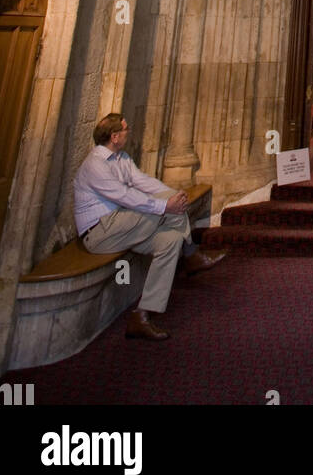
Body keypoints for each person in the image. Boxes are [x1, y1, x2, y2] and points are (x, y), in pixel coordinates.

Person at [73, 112, 225, 341]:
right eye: (125, 130)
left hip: (125, 225)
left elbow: (143, 181)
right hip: (101, 232)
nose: (128, 133)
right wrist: (166, 205)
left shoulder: (121, 158)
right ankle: (192, 254)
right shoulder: (95, 164)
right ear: (114, 136)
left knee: (171, 241)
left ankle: (142, 315)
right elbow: (124, 196)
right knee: (166, 211)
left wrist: (173, 195)